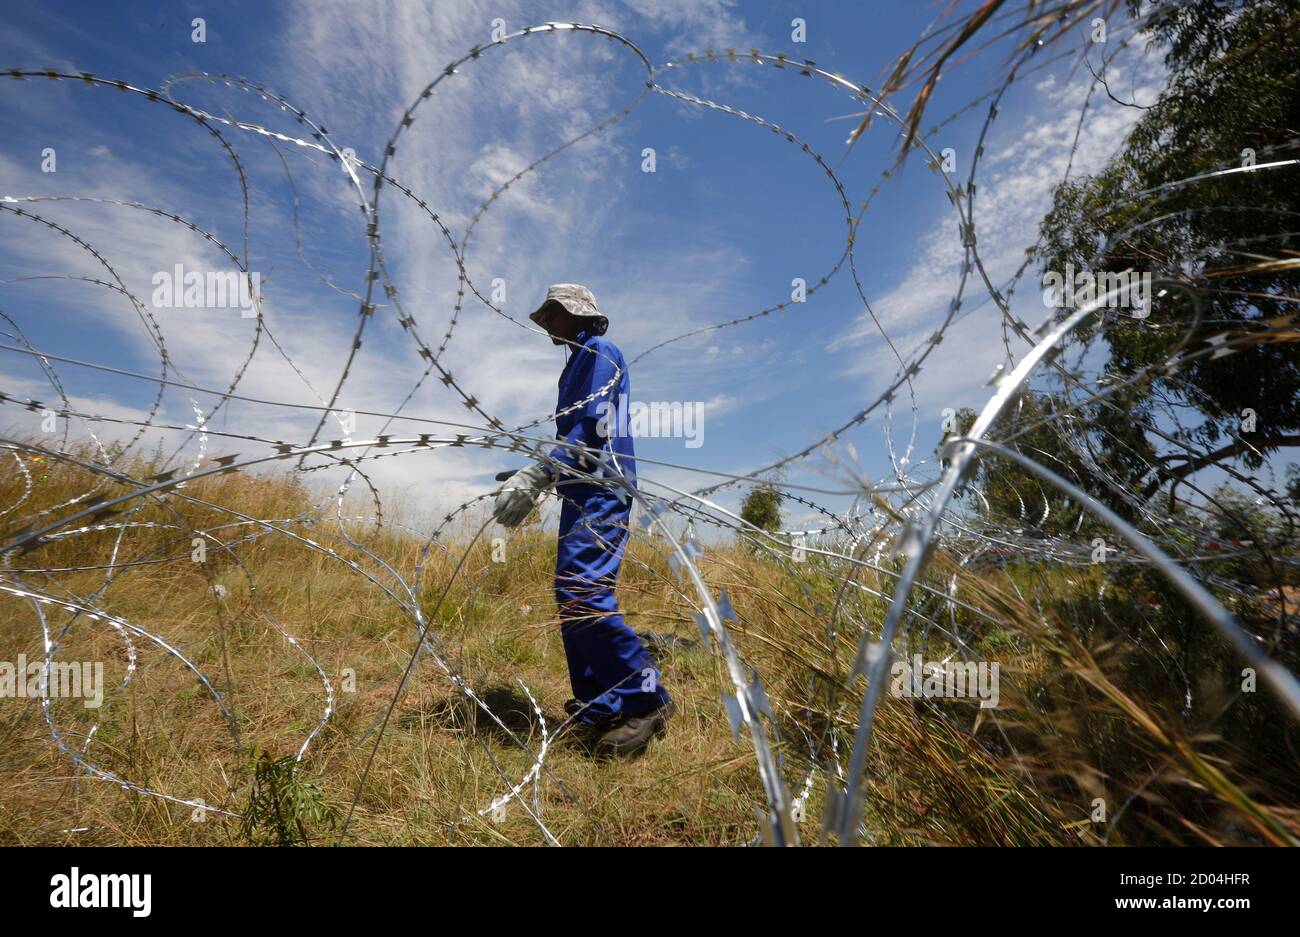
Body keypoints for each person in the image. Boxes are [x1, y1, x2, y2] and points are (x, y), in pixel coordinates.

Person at [492, 284, 674, 757]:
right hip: (580, 490)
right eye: (546, 313)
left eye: (554, 312)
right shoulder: (574, 363)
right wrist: (533, 472)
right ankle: (601, 701)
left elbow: (593, 426)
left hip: (603, 490)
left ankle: (646, 699)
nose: (547, 321)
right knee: (570, 593)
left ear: (579, 314)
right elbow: (572, 436)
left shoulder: (601, 351)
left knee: (582, 591)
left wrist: (540, 471)